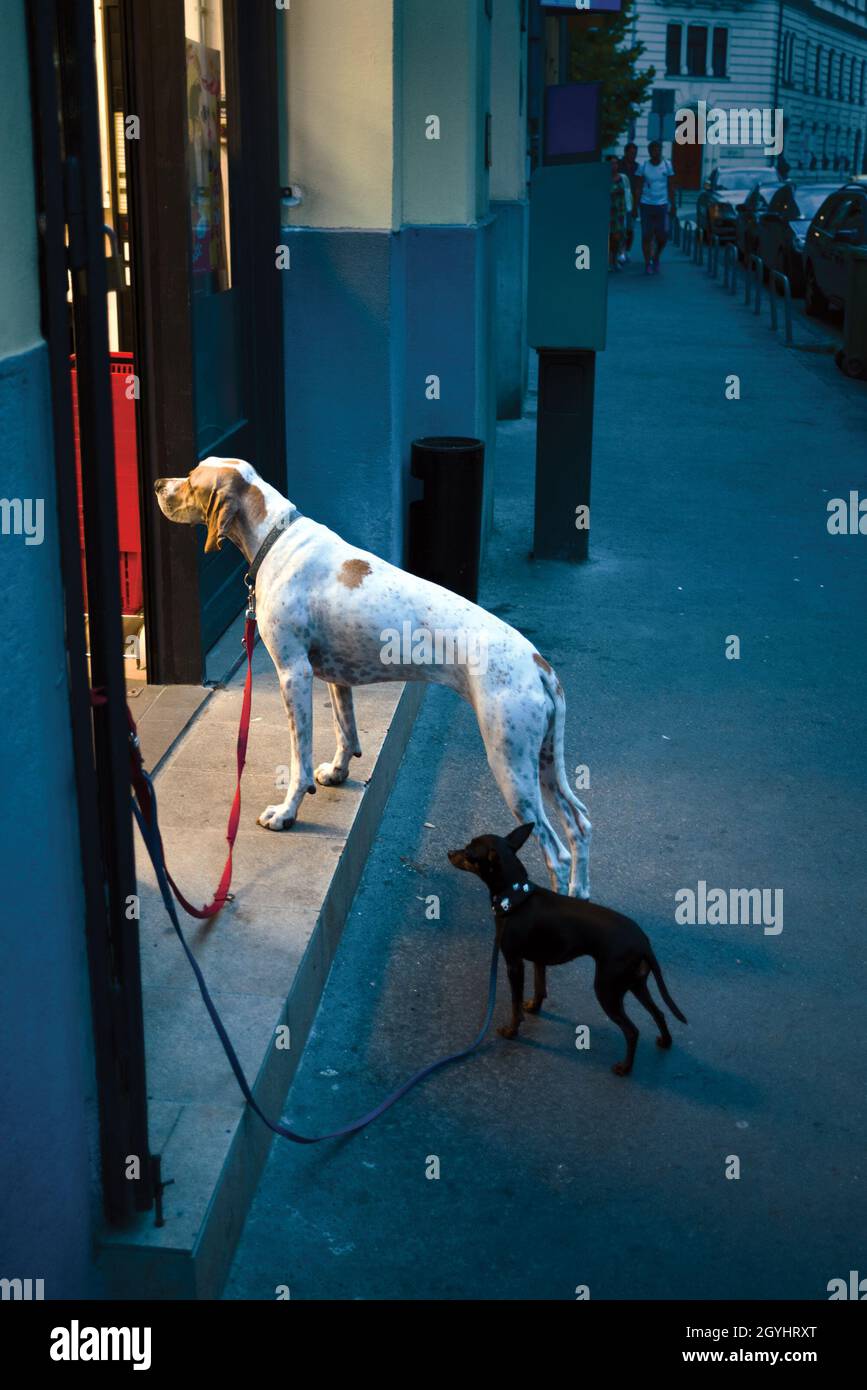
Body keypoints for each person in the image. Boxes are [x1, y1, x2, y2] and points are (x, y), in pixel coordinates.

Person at [634, 140, 676, 275]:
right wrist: (635, 206)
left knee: (662, 236)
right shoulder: (644, 166)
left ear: (661, 151)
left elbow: (671, 186)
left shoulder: (667, 166)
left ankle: (656, 256)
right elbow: (638, 188)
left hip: (662, 205)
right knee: (646, 235)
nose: (655, 152)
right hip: (646, 205)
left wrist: (673, 204)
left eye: (658, 149)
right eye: (653, 150)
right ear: (649, 152)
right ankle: (648, 262)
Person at [607, 155, 631, 270]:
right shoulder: (602, 178)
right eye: (611, 163)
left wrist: (629, 210)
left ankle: (614, 258)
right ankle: (608, 260)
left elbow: (628, 193)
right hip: (606, 212)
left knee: (617, 237)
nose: (614, 166)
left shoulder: (623, 178)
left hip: (619, 212)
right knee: (607, 238)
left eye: (616, 163)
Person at [620, 142, 641, 258]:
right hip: (618, 201)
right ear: (625, 152)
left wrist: (635, 207)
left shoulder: (637, 167)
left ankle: (627, 250)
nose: (633, 155)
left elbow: (638, 187)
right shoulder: (618, 165)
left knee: (630, 229)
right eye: (631, 153)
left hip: (631, 201)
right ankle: (620, 251)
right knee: (619, 229)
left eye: (635, 153)